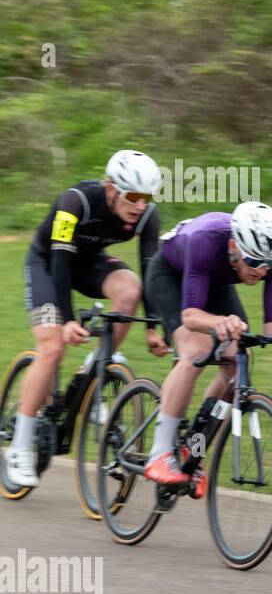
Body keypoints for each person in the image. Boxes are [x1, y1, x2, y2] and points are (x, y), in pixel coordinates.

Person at [4, 150, 170, 488]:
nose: (140, 205)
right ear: (111, 188)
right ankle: (20, 447)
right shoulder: (74, 202)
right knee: (51, 350)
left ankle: (95, 372)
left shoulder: (147, 216)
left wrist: (155, 327)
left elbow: (152, 269)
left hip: (90, 263)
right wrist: (66, 320)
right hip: (48, 264)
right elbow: (62, 259)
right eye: (133, 196)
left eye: (147, 197)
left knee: (130, 289)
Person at [142, 201, 272, 489]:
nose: (261, 271)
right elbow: (190, 316)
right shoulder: (205, 240)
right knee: (196, 350)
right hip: (170, 275)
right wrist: (216, 323)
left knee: (240, 358)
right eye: (253, 262)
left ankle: (194, 447)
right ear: (234, 247)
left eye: (268, 264)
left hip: (214, 280)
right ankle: (159, 453)